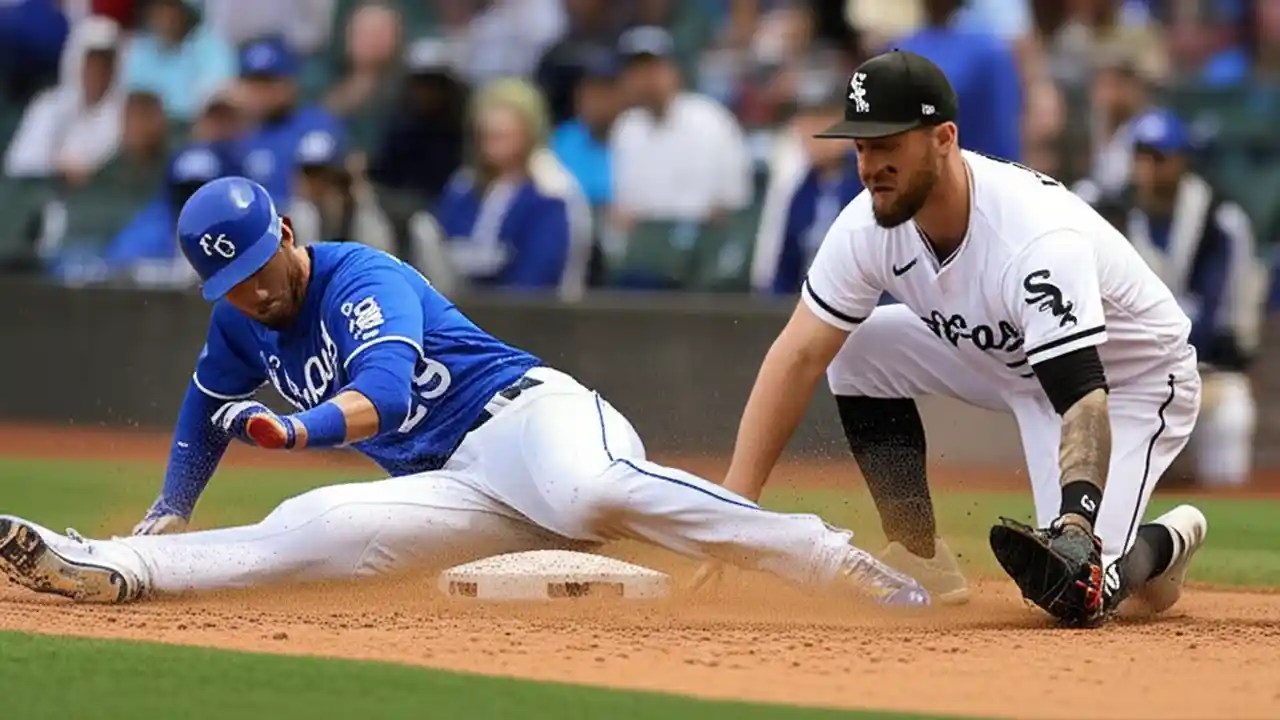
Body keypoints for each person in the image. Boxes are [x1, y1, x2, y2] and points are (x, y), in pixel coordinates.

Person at [0, 175, 928, 609]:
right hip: (460, 488)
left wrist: (290, 429)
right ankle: (118, 565)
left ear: (286, 230)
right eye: (229, 282)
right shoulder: (239, 318)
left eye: (255, 265)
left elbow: (384, 396)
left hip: (529, 420)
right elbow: (206, 404)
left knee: (594, 490)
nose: (251, 290)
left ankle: (830, 559)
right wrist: (173, 502)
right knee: (314, 523)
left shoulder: (361, 279)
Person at [698, 50, 1207, 628]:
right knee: (856, 348)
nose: (870, 165)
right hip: (1012, 356)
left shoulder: (1034, 238)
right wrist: (730, 510)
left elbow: (1084, 399)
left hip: (1128, 379)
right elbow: (798, 356)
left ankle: (1165, 542)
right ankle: (918, 553)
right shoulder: (868, 225)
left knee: (1074, 591)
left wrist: (1075, 524)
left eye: (889, 143)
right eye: (861, 146)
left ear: (944, 137)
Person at [1122, 108, 1267, 487]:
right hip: (1133, 375)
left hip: (1206, 372)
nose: (1148, 169)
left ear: (1182, 160)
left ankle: (1228, 520)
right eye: (1141, 157)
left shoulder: (1219, 223)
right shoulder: (1116, 214)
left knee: (1232, 414)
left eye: (1159, 158)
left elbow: (1217, 319)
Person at [435, 78, 591, 295]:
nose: (493, 146)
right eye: (487, 137)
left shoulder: (551, 192)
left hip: (538, 317)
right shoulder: (463, 187)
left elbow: (539, 274)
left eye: (503, 136)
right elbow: (443, 247)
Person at [751, 88, 862, 295]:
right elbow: (786, 263)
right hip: (809, 299)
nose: (815, 136)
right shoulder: (800, 189)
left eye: (823, 124)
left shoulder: (866, 184)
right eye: (807, 127)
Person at [4, 15, 124, 184]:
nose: (98, 73)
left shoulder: (124, 114)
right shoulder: (48, 105)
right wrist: (58, 169)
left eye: (105, 65)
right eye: (92, 64)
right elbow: (19, 164)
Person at [236, 36, 345, 204]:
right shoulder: (238, 134)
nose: (260, 93)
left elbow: (322, 195)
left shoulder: (317, 127)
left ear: (290, 83)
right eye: (253, 83)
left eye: (268, 83)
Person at [120, 0, 236, 122]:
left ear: (186, 12)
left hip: (194, 125)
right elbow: (133, 96)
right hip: (149, 126)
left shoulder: (211, 45)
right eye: (159, 9)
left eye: (172, 9)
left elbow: (215, 97)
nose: (165, 17)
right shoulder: (138, 48)